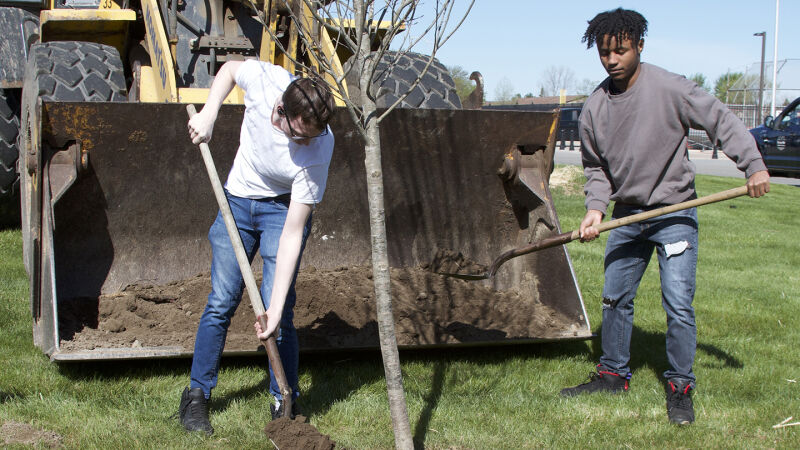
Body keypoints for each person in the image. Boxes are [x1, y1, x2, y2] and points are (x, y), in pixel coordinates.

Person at [559, 8, 770, 426]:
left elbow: (720, 120)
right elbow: (596, 168)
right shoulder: (595, 108)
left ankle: (680, 385)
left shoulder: (671, 88)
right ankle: (613, 374)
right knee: (614, 297)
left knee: (678, 305)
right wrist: (595, 209)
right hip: (627, 216)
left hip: (675, 213)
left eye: (620, 50)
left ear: (639, 45)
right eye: (604, 53)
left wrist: (754, 164)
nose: (612, 60)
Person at [177, 59, 335, 435]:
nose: (306, 144)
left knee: (281, 313)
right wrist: (210, 114)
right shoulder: (267, 83)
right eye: (299, 136)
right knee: (221, 300)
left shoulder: (320, 145)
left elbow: (294, 231)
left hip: (282, 209)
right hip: (237, 198)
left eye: (312, 137)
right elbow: (230, 69)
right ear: (280, 110)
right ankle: (197, 394)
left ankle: (285, 399)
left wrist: (275, 308)